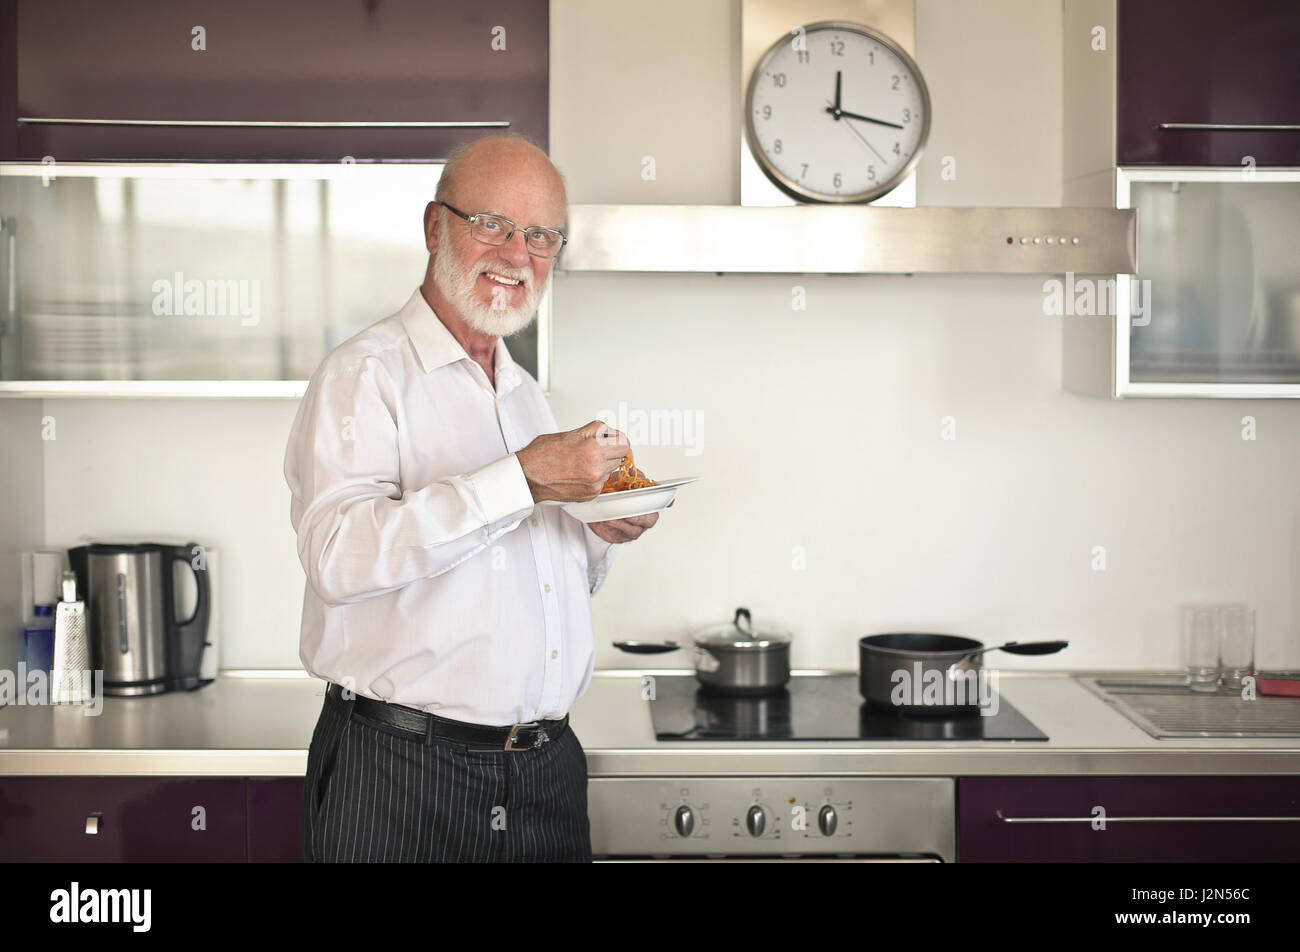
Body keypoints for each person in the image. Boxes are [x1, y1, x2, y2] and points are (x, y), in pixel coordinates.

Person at [283, 134, 659, 862]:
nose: (518, 254)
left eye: (541, 235)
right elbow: (337, 557)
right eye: (492, 223)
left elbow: (537, 569)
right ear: (434, 228)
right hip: (401, 778)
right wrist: (521, 477)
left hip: (545, 775)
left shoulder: (524, 396)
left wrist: (600, 528)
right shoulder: (363, 376)